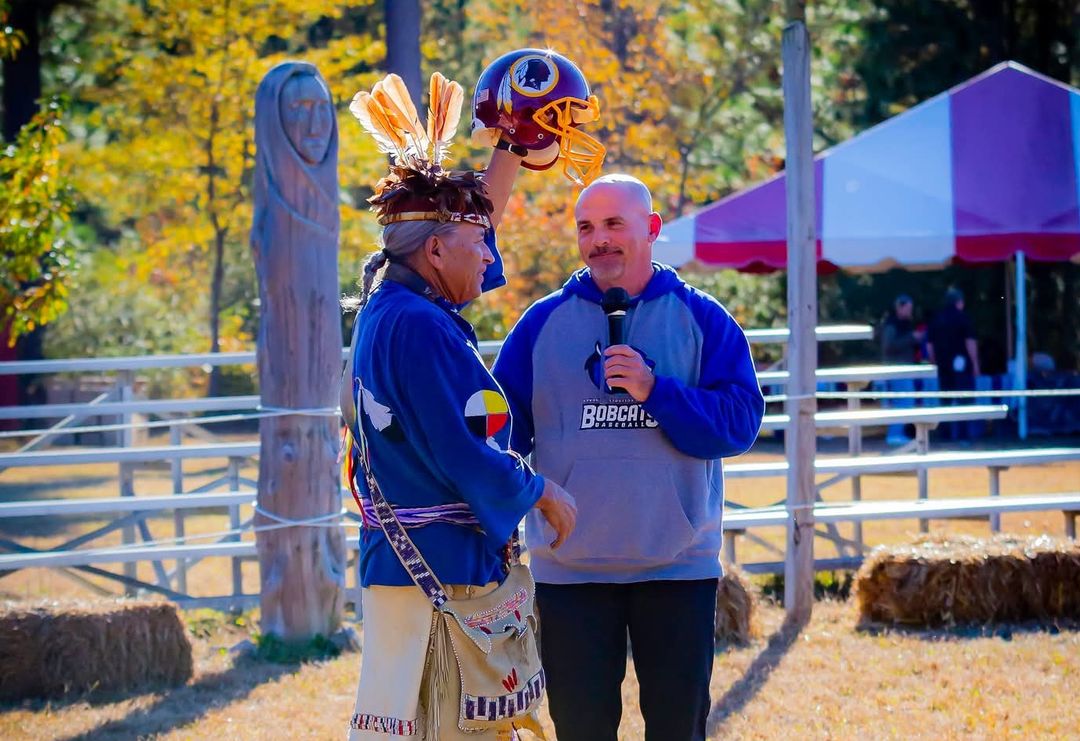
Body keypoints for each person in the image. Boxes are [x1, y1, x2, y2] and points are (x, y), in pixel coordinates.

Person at [341, 72, 577, 740]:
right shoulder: (418, 324)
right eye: (480, 246)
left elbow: (466, 228)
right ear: (435, 250)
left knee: (411, 722)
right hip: (439, 564)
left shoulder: (393, 305)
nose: (489, 258)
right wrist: (540, 490)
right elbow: (461, 449)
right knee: (452, 725)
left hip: (407, 563)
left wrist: (512, 145)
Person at [493, 173, 765, 741]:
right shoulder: (540, 324)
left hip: (677, 565)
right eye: (586, 227)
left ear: (652, 228)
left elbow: (739, 425)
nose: (599, 240)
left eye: (614, 224)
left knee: (676, 728)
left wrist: (656, 391)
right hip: (570, 570)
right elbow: (498, 437)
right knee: (582, 729)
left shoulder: (702, 318)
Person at [927, 287, 981, 442]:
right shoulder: (963, 318)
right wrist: (975, 363)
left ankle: (945, 434)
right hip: (961, 365)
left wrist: (933, 360)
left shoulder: (937, 318)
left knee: (945, 400)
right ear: (959, 302)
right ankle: (963, 435)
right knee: (964, 399)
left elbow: (929, 344)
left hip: (943, 365)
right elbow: (970, 342)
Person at [880, 294, 925, 445]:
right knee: (903, 401)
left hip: (903, 368)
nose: (910, 311)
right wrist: (912, 337)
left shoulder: (903, 324)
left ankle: (897, 433)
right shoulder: (892, 325)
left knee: (905, 401)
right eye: (908, 308)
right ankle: (894, 433)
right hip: (897, 369)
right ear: (899, 307)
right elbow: (888, 347)